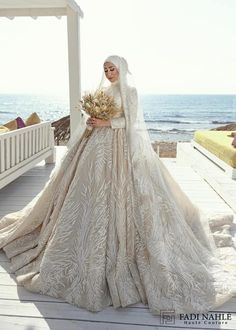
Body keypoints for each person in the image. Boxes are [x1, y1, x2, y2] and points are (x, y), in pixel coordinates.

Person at [0, 55, 235, 315]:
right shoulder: (102, 91)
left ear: (122, 69)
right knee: (84, 193)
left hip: (119, 151)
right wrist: (92, 121)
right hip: (95, 149)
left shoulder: (130, 91)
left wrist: (107, 122)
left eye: (113, 68)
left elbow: (132, 122)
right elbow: (97, 115)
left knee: (121, 197)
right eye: (106, 69)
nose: (109, 73)